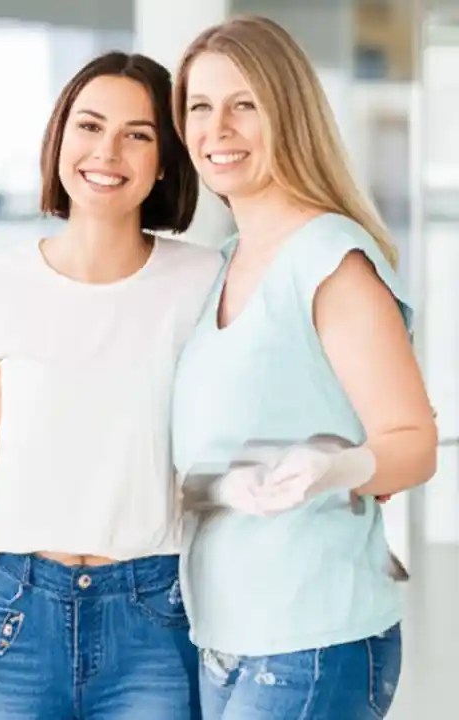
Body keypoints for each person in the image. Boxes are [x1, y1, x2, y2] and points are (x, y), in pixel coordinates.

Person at [169, 15, 437, 720]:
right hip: (224, 635)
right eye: (200, 107)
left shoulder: (328, 259)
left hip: (310, 640)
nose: (217, 129)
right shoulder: (224, 263)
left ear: (287, 113)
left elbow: (413, 442)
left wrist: (336, 468)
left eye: (244, 105)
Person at [0, 51, 221, 719]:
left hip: (152, 616)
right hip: (13, 614)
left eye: (138, 134)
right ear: (60, 138)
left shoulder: (204, 282)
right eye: (90, 126)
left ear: (165, 161)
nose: (108, 152)